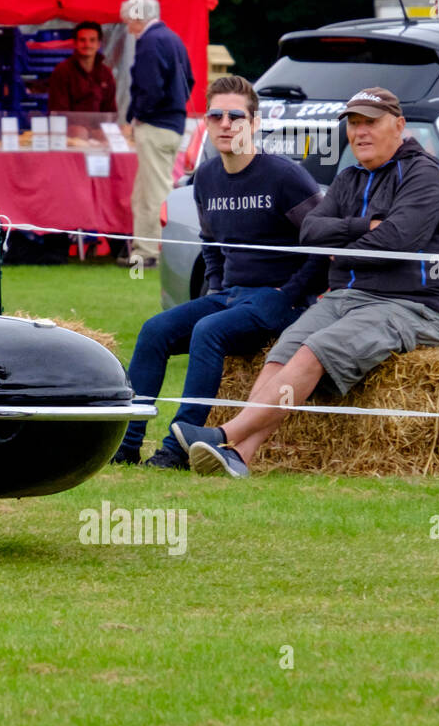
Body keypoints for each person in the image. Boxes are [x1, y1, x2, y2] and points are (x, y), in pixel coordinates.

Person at [172, 87, 439, 478]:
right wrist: (359, 229)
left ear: (399, 125)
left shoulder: (425, 174)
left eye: (370, 122)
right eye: (354, 124)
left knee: (314, 349)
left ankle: (223, 433)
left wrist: (340, 247)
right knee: (281, 351)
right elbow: (310, 230)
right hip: (345, 296)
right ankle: (241, 456)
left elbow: (395, 241)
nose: (360, 132)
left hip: (411, 305)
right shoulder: (349, 177)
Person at [112, 76, 327, 469]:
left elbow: (323, 248)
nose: (226, 124)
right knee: (155, 330)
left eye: (236, 116)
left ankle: (177, 449)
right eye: (216, 116)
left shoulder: (285, 177)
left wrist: (289, 293)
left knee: (207, 332)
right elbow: (211, 247)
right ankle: (125, 445)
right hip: (231, 293)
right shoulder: (206, 178)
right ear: (206, 124)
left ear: (254, 123)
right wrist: (213, 291)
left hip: (280, 299)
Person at [120, 0, 195, 268]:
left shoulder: (149, 43)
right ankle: (144, 248)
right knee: (145, 193)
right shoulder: (172, 39)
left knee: (153, 193)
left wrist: (137, 115)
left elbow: (149, 87)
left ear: (138, 17)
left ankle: (150, 252)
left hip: (155, 125)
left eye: (129, 21)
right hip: (172, 124)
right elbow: (189, 79)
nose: (128, 27)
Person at [46, 21, 117, 115]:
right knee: (79, 131)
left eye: (92, 40)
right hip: (69, 127)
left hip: (99, 127)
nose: (87, 45)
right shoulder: (62, 71)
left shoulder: (106, 73)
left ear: (98, 44)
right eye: (82, 40)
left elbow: (110, 111)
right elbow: (59, 111)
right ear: (75, 43)